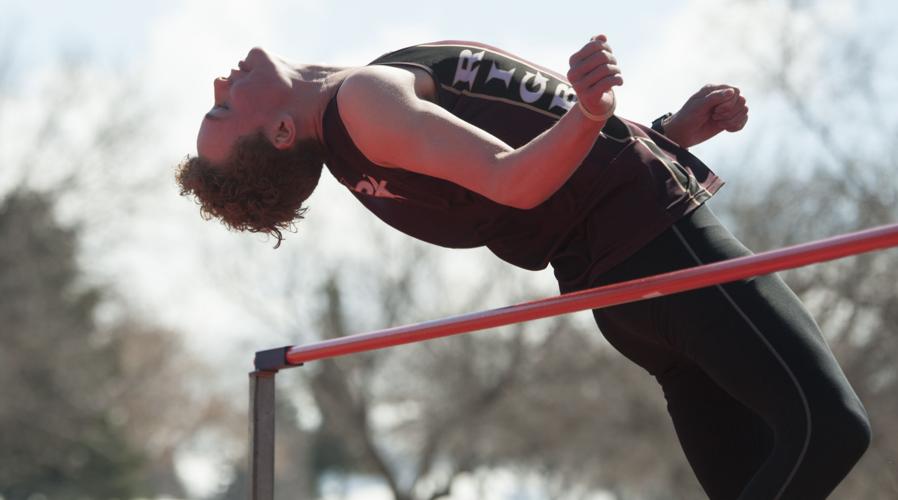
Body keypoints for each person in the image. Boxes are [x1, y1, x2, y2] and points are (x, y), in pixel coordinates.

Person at [176, 36, 870, 499]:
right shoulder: (359, 104)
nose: (220, 80)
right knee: (828, 427)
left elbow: (540, 178)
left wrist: (664, 135)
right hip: (660, 251)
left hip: (623, 287)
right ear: (280, 132)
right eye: (223, 106)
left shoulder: (362, 136)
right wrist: (596, 112)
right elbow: (515, 182)